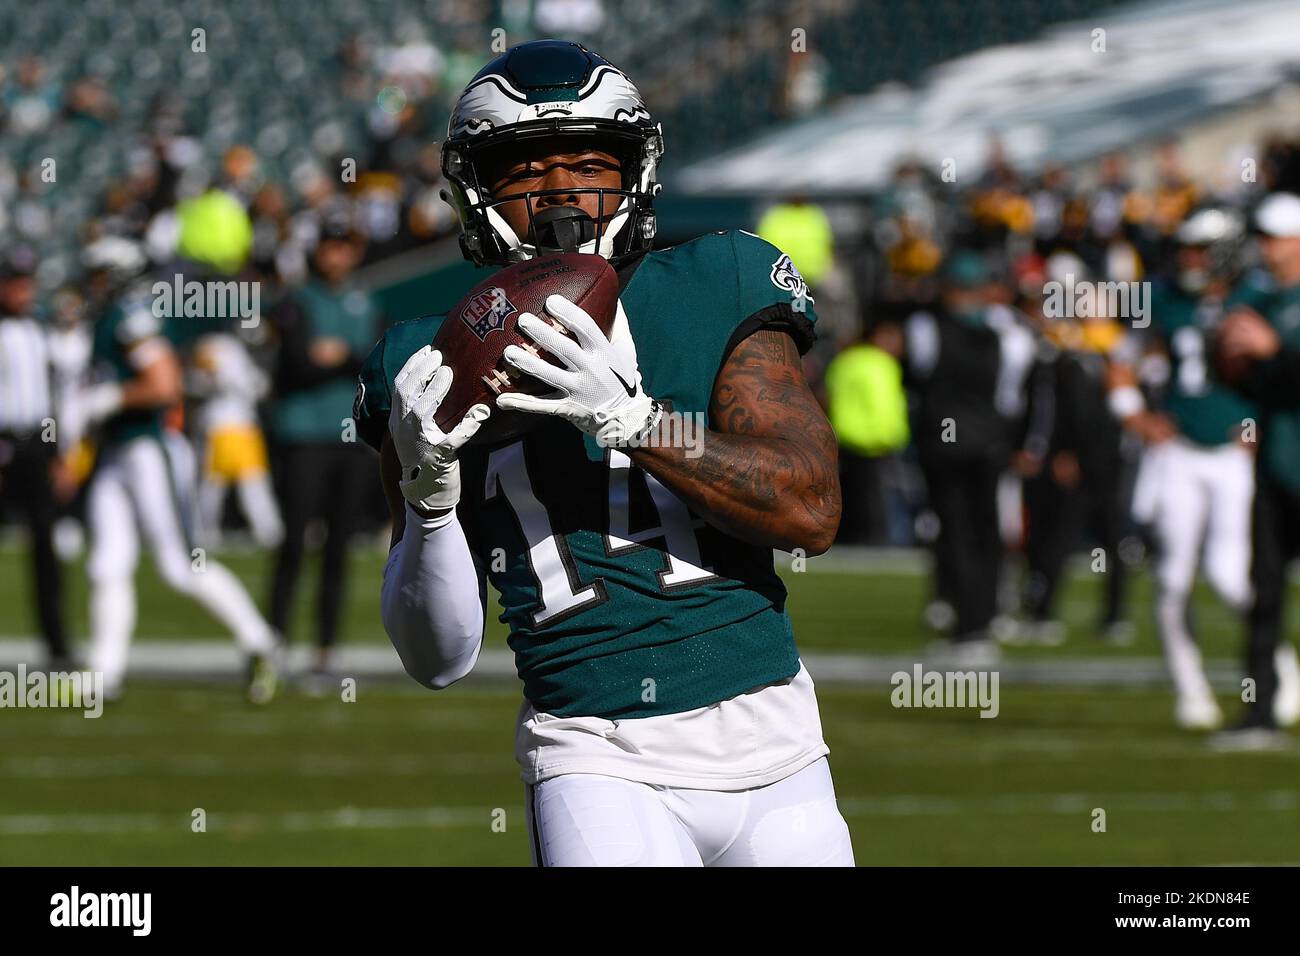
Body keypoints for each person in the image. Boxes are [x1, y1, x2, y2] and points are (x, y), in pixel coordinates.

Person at [357, 40, 853, 867]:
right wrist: (428, 496)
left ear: (636, 173)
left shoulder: (717, 279)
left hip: (780, 745)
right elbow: (436, 656)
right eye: (524, 170)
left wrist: (635, 421)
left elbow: (811, 509)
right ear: (475, 191)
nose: (561, 194)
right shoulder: (426, 360)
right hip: (594, 754)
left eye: (590, 163)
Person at [79, 199, 280, 703]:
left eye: (101, 273)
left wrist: (111, 398)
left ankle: (260, 641)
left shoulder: (131, 316)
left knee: (179, 566)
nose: (92, 282)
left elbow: (164, 384)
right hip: (118, 452)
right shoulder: (115, 315)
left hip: (150, 449)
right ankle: (106, 672)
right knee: (106, 563)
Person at [1109, 207, 1257, 729]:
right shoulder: (1163, 298)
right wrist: (1136, 417)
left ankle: (1275, 667)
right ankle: (1190, 688)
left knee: (1229, 577)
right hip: (1178, 453)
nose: (1188, 259)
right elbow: (1120, 361)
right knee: (1173, 579)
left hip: (1232, 453)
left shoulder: (1255, 296)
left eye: (1199, 249)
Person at [267, 208, 379, 689]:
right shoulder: (296, 300)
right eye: (330, 245)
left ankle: (325, 649)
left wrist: (337, 357)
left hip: (347, 440)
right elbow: (297, 364)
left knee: (338, 549)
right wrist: (339, 360)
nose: (337, 254)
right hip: (303, 437)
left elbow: (373, 363)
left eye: (344, 245)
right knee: (294, 542)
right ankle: (271, 643)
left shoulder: (366, 300)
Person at [1214, 192, 1300, 746]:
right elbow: (1257, 388)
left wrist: (1274, 353)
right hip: (1276, 465)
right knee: (1263, 592)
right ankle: (1258, 711)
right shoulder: (1261, 301)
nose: (1267, 249)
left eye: (1276, 237)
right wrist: (1234, 360)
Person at [0, 245, 71, 668]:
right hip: (5, 442)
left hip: (36, 446)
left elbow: (50, 397)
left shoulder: (39, 330)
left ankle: (57, 645)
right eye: (15, 282)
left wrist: (57, 453)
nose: (22, 290)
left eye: (26, 282)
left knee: (46, 548)